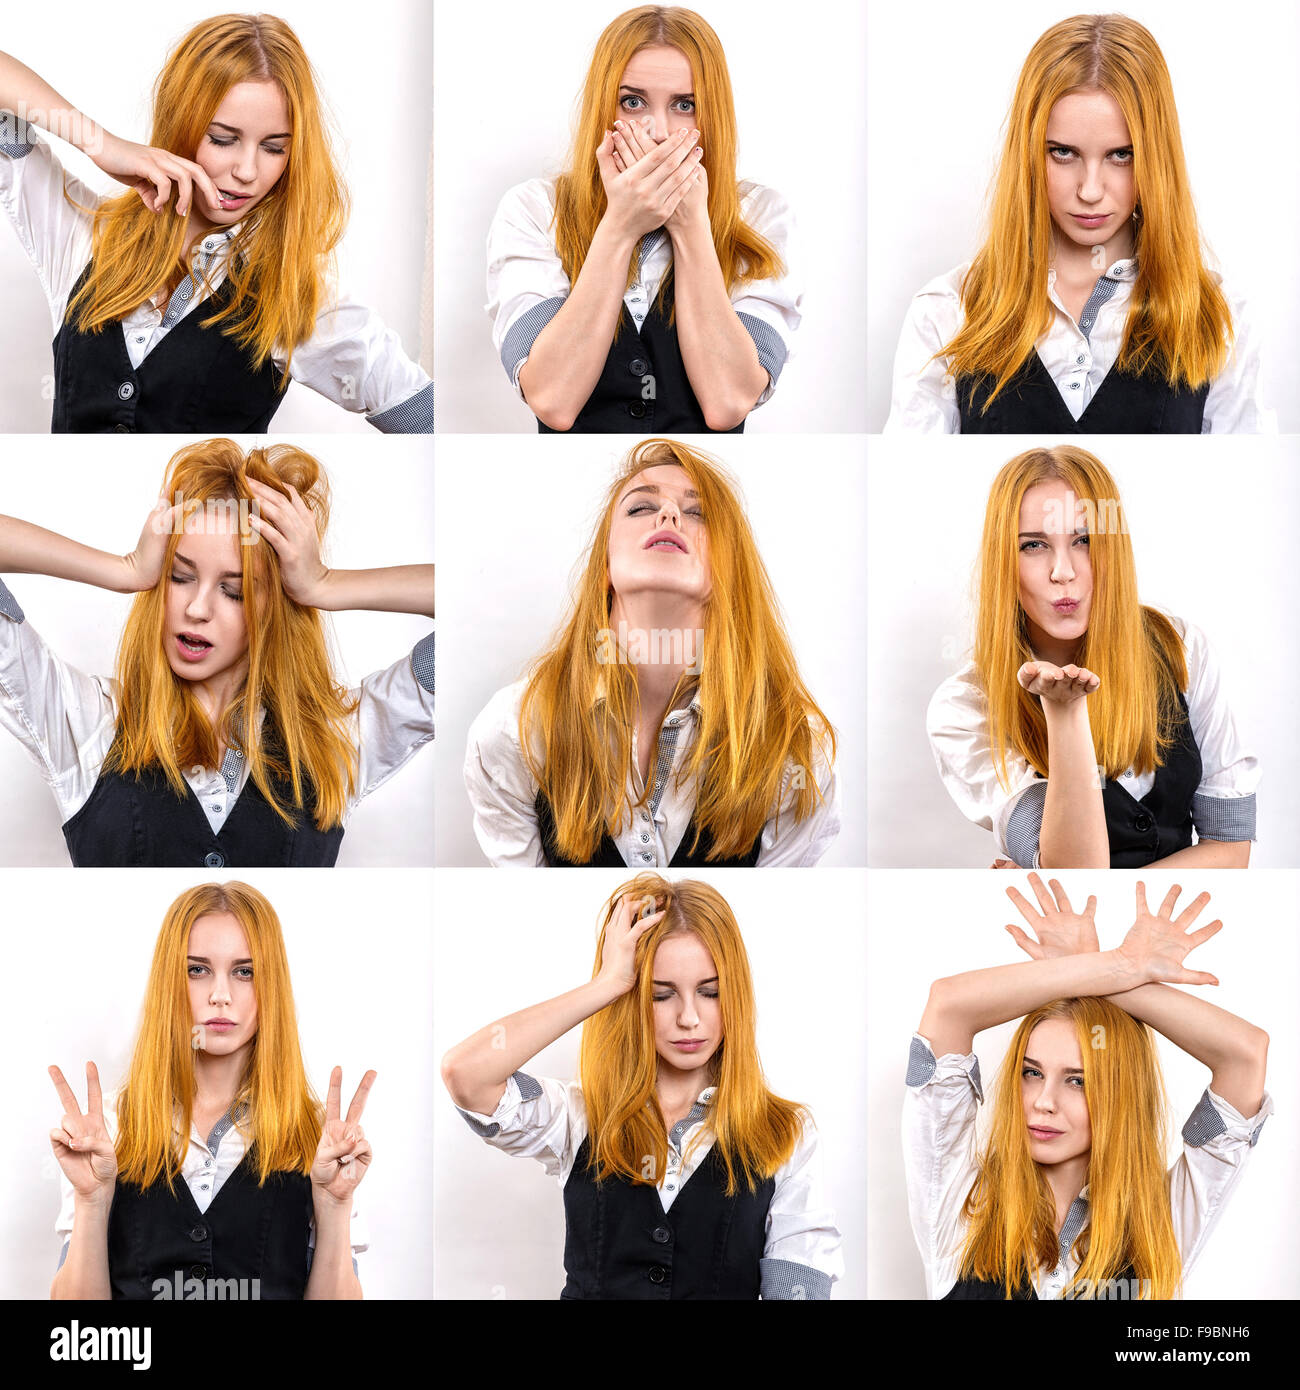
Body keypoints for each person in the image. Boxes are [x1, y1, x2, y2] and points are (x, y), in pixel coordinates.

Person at [0, 438, 435, 866]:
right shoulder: (87, 721)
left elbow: (470, 601)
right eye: (179, 576)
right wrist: (124, 568)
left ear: (274, 608)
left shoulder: (337, 738)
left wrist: (323, 584)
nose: (197, 608)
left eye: (234, 591)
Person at [0, 15, 433, 432]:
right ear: (180, 122)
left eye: (274, 148)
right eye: (223, 139)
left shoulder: (297, 293)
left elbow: (426, 418)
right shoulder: (81, 234)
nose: (247, 170)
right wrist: (100, 144)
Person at [441, 875, 842, 1299]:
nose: (689, 1018)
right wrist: (607, 984)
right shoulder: (578, 1115)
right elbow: (466, 1073)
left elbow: (799, 1285)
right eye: (660, 995)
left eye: (710, 992)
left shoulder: (786, 1132)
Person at [884, 13, 1269, 434]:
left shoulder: (1219, 317)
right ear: (1029, 153)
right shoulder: (946, 315)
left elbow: (1240, 491)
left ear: (1155, 159)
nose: (1089, 190)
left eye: (1121, 155)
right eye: (1063, 153)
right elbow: (916, 489)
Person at [464, 436, 838, 867]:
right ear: (604, 567)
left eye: (698, 513)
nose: (669, 514)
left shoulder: (793, 748)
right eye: (641, 507)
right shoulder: (514, 732)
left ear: (727, 570)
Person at [905, 874, 1271, 1299]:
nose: (1044, 1102)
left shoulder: (1162, 1224)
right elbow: (948, 1005)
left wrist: (1097, 971)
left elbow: (1245, 1053)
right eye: (1032, 1072)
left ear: (1119, 1093)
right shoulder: (959, 1204)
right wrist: (1113, 967)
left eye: (1077, 1081)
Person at [927, 445, 1256, 869]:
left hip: (1178, 930)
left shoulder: (1181, 647)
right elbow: (1076, 876)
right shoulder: (966, 708)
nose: (1062, 571)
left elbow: (1231, 847)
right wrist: (1064, 712)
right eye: (1033, 546)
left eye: (1084, 540)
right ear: (1003, 560)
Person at [49, 880, 375, 1300]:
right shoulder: (105, 1127)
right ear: (170, 981)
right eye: (197, 969)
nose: (220, 996)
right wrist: (91, 1202)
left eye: (245, 972)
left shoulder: (320, 1135)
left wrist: (334, 1207)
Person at [486, 4, 799, 433]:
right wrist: (620, 227)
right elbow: (552, 400)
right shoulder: (535, 210)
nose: (657, 131)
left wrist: (690, 225)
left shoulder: (760, 215)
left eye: (685, 105)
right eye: (632, 102)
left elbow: (728, 404)